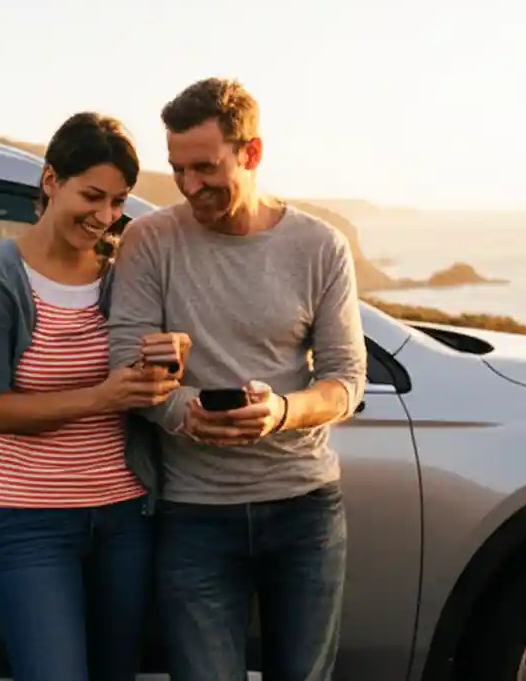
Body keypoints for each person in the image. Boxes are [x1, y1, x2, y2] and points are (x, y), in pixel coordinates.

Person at [107, 78, 368, 681]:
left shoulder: (319, 246)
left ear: (250, 153)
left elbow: (346, 380)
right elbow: (127, 367)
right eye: (177, 169)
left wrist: (280, 411)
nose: (190, 185)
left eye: (205, 167)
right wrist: (183, 412)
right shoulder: (150, 241)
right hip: (193, 517)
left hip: (305, 510)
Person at [0, 111, 190, 681]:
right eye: (93, 196)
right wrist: (102, 398)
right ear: (51, 180)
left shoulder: (123, 274)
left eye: (119, 202)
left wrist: (171, 354)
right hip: (31, 523)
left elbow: (143, 380)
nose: (106, 217)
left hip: (126, 518)